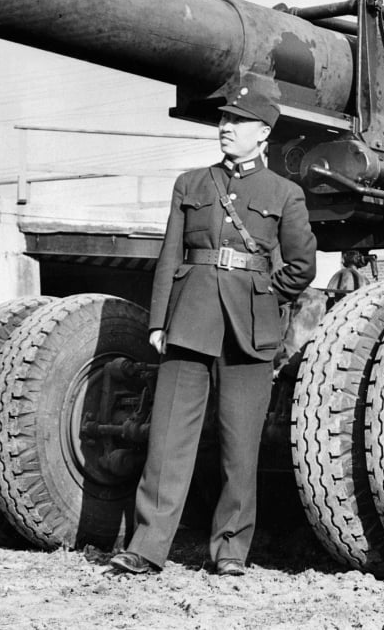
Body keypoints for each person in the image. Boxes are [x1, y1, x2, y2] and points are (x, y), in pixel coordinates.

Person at [108, 88, 317, 577]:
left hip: (250, 329)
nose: (226, 126)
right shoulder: (191, 183)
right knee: (167, 441)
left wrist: (265, 300)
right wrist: (159, 320)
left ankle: (229, 553)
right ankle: (146, 548)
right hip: (190, 321)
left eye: (238, 121)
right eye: (224, 119)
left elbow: (302, 266)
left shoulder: (284, 193)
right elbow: (170, 256)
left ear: (263, 133)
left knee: (239, 445)